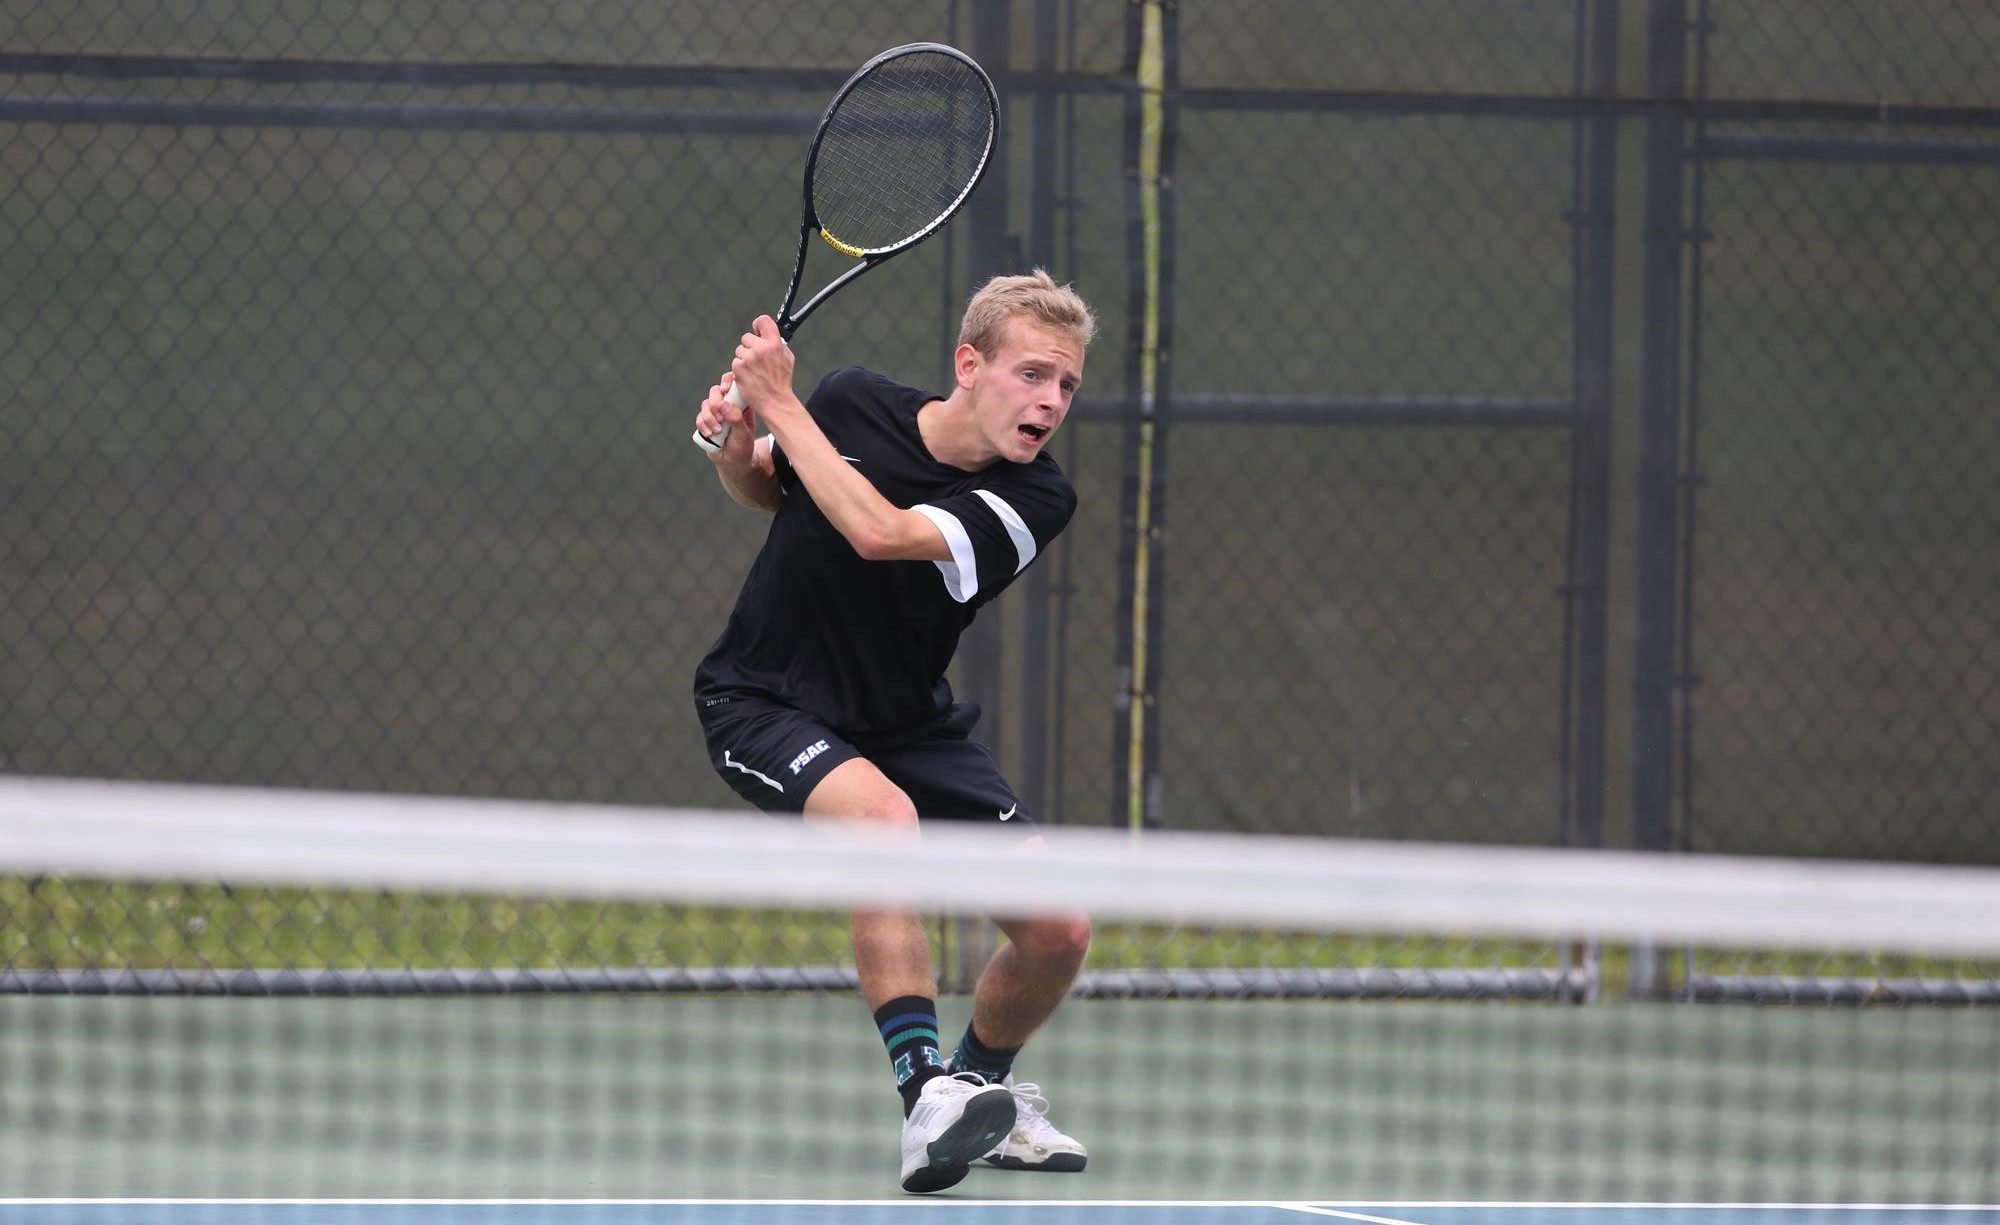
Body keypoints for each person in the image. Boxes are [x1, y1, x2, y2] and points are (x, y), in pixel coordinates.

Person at [692, 269, 1097, 1194]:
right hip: (763, 699)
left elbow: (878, 530)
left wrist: (778, 402)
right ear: (969, 364)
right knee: (883, 826)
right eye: (1033, 374)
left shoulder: (1035, 498)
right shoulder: (849, 401)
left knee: (1059, 929)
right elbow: (775, 493)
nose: (1051, 401)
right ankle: (926, 1098)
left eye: (1066, 385)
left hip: (906, 718)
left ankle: (977, 1098)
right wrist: (740, 441)